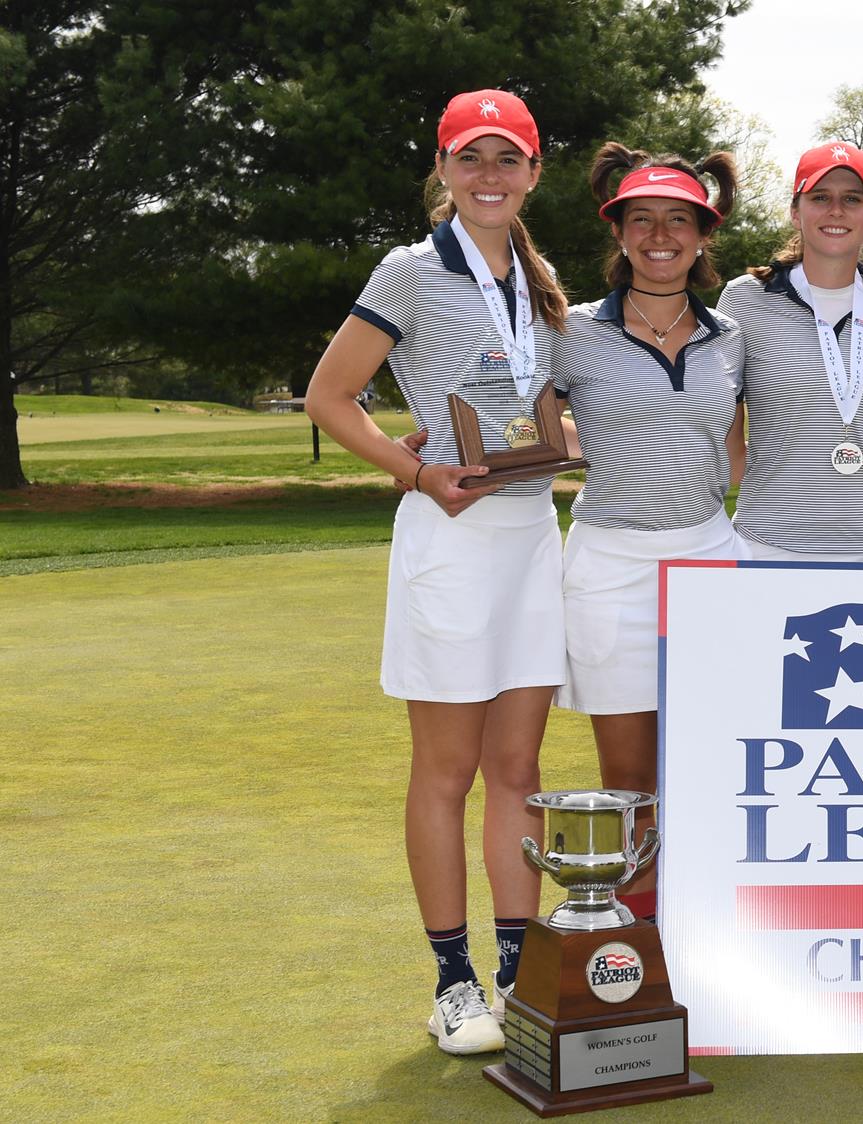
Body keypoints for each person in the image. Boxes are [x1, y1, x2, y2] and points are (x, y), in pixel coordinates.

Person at [304, 89, 567, 1055]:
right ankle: (454, 983)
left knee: (517, 770)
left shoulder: (540, 279)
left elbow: (536, 406)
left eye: (508, 160)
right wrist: (415, 470)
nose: (489, 176)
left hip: (533, 534)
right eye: (472, 159)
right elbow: (331, 396)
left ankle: (519, 970)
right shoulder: (409, 270)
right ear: (445, 173)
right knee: (448, 770)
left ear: (534, 172)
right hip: (451, 540)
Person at [546, 143, 747, 944]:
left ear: (703, 235)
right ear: (619, 234)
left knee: (705, 766)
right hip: (610, 563)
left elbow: (738, 444)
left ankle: (712, 932)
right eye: (642, 220)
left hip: (709, 560)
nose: (660, 235)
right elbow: (523, 419)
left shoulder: (732, 335)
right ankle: (646, 939)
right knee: (628, 778)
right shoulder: (572, 332)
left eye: (678, 220)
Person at [718, 142, 863, 562]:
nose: (836, 211)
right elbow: (722, 421)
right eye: (820, 198)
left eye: (852, 199)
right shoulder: (745, 300)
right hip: (770, 543)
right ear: (796, 211)